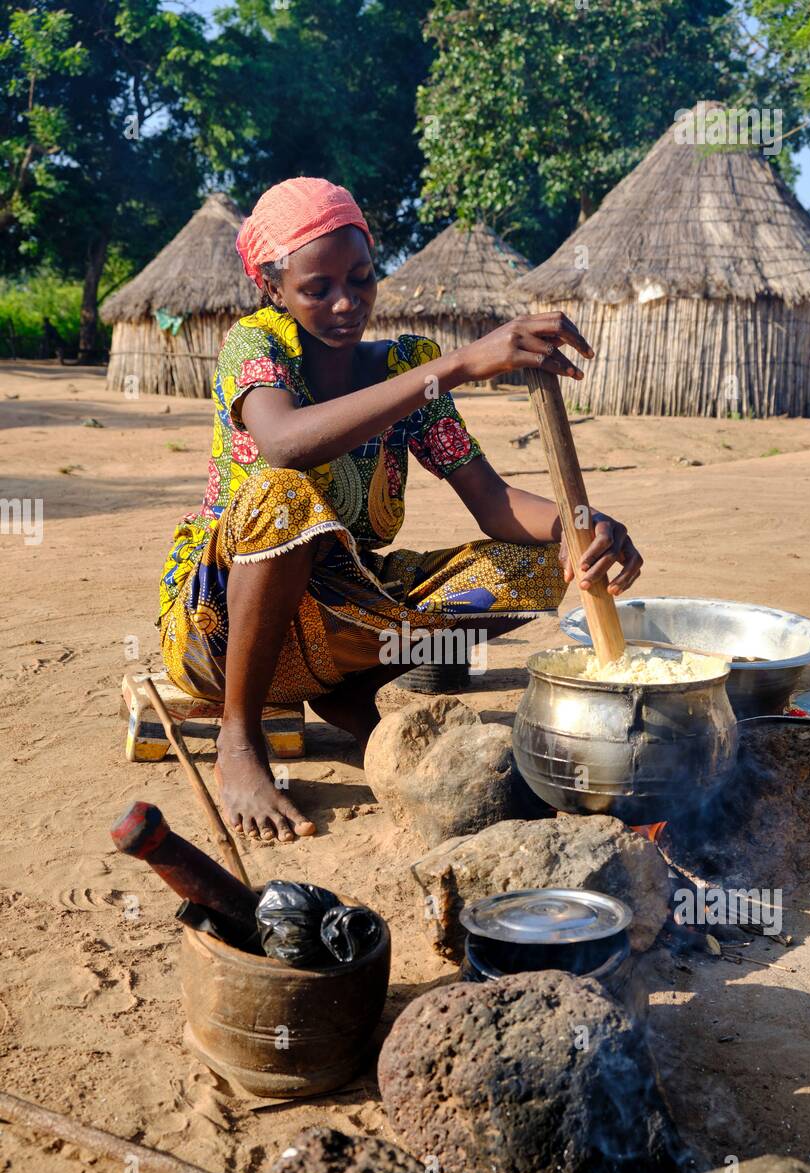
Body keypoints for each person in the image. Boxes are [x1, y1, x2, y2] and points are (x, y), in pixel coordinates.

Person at [159, 177, 642, 842]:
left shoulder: (403, 368)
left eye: (360, 278)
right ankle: (243, 738)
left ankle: (345, 691)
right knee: (281, 493)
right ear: (273, 289)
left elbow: (492, 500)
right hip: (218, 631)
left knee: (537, 569)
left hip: (341, 615)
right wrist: (460, 365)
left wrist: (582, 526)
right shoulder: (257, 347)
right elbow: (285, 443)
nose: (345, 302)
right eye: (317, 288)